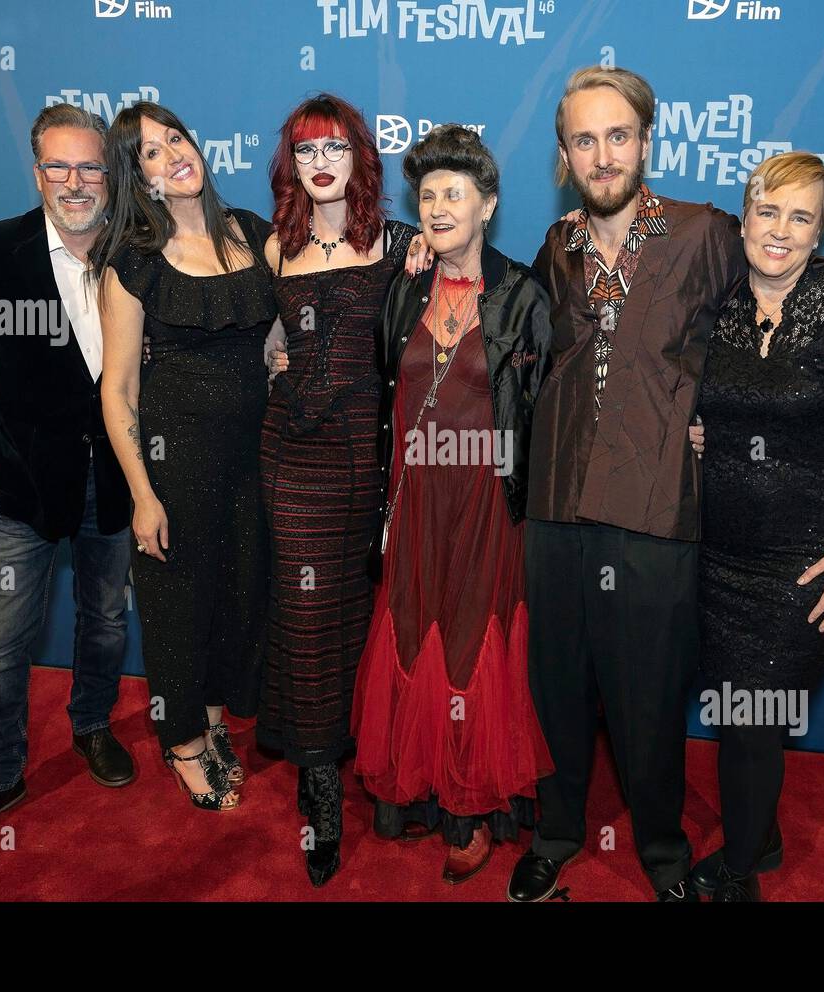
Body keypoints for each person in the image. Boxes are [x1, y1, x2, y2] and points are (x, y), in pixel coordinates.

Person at [508, 66, 824, 902]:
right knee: (558, 686)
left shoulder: (704, 232)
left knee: (650, 699)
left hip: (655, 510)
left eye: (619, 136)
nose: (603, 155)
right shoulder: (557, 246)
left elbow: (783, 260)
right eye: (585, 140)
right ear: (564, 157)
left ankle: (661, 852)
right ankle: (557, 831)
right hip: (555, 504)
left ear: (646, 142)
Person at [687, 152, 824, 901]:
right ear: (744, 219)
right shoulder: (713, 307)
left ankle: (738, 873)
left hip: (807, 565)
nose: (780, 230)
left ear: (820, 233)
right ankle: (764, 839)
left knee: (754, 719)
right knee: (738, 717)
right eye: (768, 211)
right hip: (716, 554)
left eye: (801, 217)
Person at [0, 104, 134, 858]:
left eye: (90, 167)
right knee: (1, 647)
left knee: (105, 621)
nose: (75, 182)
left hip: (116, 482)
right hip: (21, 486)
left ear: (109, 174)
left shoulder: (136, 251)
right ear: (37, 173)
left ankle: (92, 725)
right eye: (59, 167)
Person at [350, 124, 555, 886]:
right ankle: (414, 784)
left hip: (485, 500)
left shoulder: (523, 295)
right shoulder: (405, 284)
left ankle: (468, 806)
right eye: (428, 194)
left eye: (454, 194)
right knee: (411, 624)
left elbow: (543, 408)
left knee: (470, 638)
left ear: (487, 205)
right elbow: (386, 385)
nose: (438, 207)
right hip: (414, 497)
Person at [93, 101, 277, 812]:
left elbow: (290, 317)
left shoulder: (251, 234)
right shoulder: (132, 264)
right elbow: (118, 390)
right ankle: (184, 743)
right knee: (177, 608)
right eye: (150, 152)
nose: (173, 155)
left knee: (238, 595)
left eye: (175, 138)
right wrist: (142, 494)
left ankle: (213, 719)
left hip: (252, 462)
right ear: (136, 177)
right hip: (175, 467)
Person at [258, 93, 420, 887]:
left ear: (360, 159)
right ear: (291, 164)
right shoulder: (273, 247)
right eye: (306, 150)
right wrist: (270, 353)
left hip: (369, 461)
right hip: (291, 460)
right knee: (305, 612)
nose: (321, 163)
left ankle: (355, 746)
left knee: (360, 613)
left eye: (335, 148)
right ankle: (320, 783)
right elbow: (253, 338)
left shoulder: (401, 244)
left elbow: (479, 304)